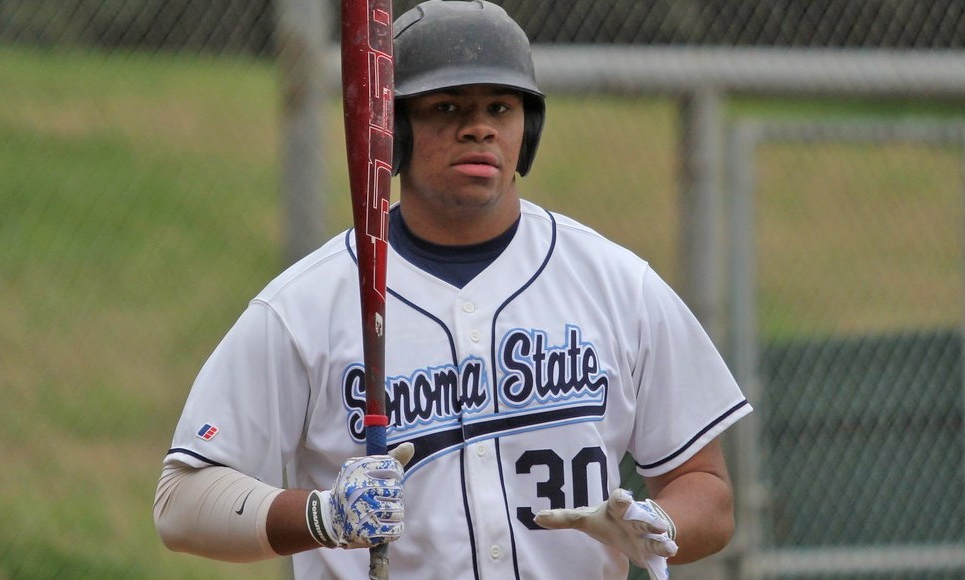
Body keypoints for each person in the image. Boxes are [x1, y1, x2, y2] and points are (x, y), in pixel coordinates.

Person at [153, 1, 752, 579]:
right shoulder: (307, 306)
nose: (479, 129)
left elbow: (709, 492)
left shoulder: (618, 285)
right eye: (446, 108)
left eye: (500, 106)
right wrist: (323, 515)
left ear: (529, 129)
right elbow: (183, 501)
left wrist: (658, 524)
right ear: (395, 132)